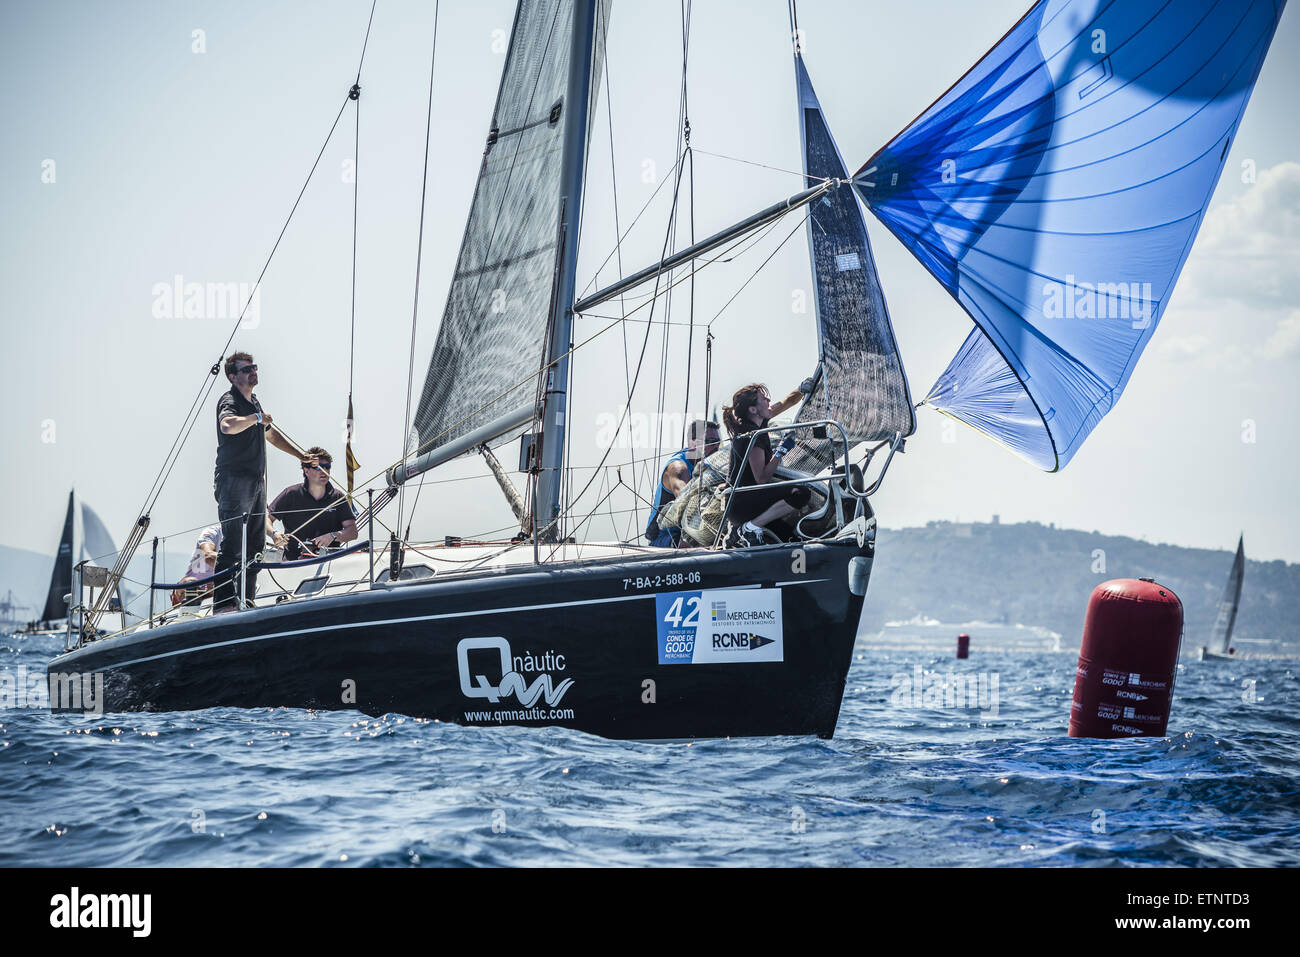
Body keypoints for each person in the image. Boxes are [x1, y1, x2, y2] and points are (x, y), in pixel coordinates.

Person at [213, 352, 304, 613]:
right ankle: (223, 606)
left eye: (254, 367)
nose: (253, 371)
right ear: (233, 376)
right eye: (246, 369)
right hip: (233, 481)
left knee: (255, 545)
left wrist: (301, 456)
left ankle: (246, 600)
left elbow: (270, 435)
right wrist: (256, 418)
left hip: (256, 482)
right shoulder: (229, 400)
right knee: (233, 544)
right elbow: (228, 426)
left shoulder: (254, 402)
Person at [722, 383, 812, 547]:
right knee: (801, 494)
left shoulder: (757, 423)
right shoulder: (753, 435)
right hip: (743, 503)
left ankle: (740, 531)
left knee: (789, 537)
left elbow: (786, 403)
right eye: (763, 398)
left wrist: (800, 389)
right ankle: (749, 528)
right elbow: (762, 478)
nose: (769, 399)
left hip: (742, 503)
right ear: (753, 410)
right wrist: (781, 451)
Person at [269, 447, 358, 561]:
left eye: (327, 467)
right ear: (306, 470)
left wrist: (333, 536)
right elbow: (266, 519)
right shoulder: (291, 494)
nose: (324, 471)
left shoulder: (337, 497)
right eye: (318, 467)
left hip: (329, 564)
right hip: (293, 564)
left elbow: (352, 531)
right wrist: (274, 534)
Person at [644, 419, 721, 547]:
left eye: (718, 441)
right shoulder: (678, 468)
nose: (716, 446)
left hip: (694, 531)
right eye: (710, 442)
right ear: (693, 443)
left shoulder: (709, 463)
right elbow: (687, 503)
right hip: (666, 538)